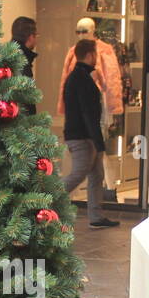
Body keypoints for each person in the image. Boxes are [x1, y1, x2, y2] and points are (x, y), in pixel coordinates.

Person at [62, 39, 118, 229]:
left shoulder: (79, 77)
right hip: (83, 136)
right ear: (89, 55)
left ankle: (96, 216)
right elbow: (87, 112)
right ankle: (46, 200)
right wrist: (97, 140)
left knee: (96, 175)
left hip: (84, 135)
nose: (97, 58)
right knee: (79, 173)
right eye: (95, 54)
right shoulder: (81, 79)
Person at [10, 16, 38, 115]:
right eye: (36, 36)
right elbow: (26, 102)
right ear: (30, 37)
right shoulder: (22, 62)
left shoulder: (6, 55)